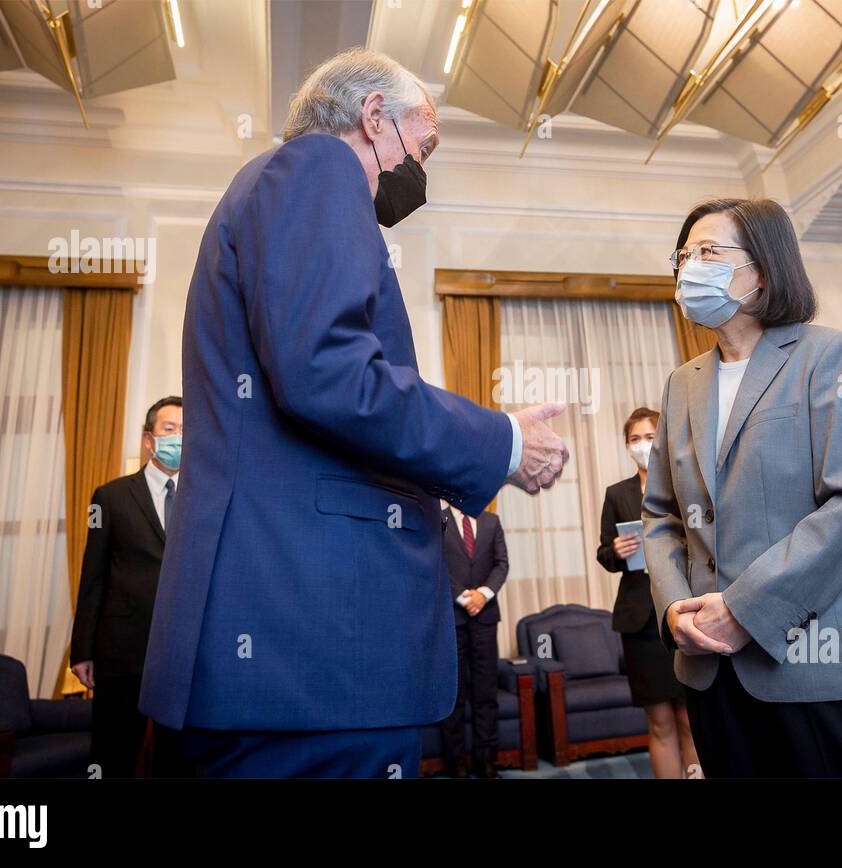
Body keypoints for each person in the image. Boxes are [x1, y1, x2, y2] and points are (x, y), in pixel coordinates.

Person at [138, 48, 569, 779]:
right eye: (421, 147)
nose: (419, 173)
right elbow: (327, 373)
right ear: (374, 116)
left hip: (282, 647)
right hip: (309, 642)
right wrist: (500, 441)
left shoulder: (271, 191)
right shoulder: (317, 167)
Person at [643, 197, 842, 778]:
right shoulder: (681, 384)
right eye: (684, 255)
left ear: (763, 269)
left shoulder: (830, 355)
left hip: (826, 662)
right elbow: (662, 515)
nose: (691, 266)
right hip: (712, 670)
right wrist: (674, 611)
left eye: (710, 252)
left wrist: (745, 610)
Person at [70, 397, 188, 777]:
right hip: (122, 649)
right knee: (113, 753)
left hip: (182, 654)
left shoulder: (203, 498)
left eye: (187, 431)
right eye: (170, 430)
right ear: (148, 439)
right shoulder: (111, 497)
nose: (179, 438)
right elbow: (93, 578)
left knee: (178, 759)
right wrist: (82, 650)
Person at [596, 407, 698, 779]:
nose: (643, 445)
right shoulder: (617, 493)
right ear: (627, 446)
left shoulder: (685, 484)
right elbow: (604, 553)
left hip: (685, 612)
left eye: (650, 436)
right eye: (634, 439)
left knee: (691, 720)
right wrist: (617, 552)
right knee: (660, 722)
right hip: (640, 620)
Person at [439, 501, 508, 778]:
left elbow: (502, 564)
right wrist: (461, 597)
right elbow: (435, 564)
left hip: (486, 618)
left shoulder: (492, 522)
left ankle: (486, 760)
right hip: (452, 619)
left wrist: (484, 594)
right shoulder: (438, 520)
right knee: (454, 696)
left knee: (486, 694)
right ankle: (455, 763)